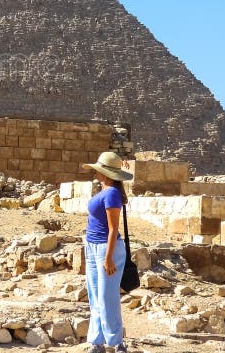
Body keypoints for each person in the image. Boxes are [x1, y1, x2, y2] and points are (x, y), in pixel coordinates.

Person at [81, 151, 134, 353]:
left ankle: (116, 343)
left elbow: (113, 229)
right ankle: (96, 342)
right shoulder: (106, 189)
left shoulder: (111, 193)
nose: (95, 173)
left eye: (98, 170)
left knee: (107, 297)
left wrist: (108, 258)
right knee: (95, 296)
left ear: (106, 173)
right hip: (93, 247)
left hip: (106, 248)